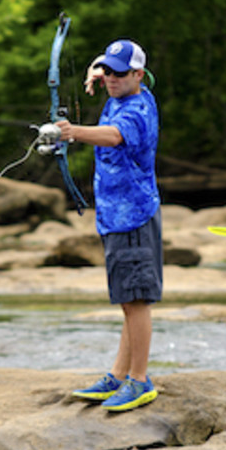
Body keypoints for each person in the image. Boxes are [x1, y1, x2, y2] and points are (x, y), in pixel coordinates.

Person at [57, 39, 162, 412]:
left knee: (136, 301)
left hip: (132, 215)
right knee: (127, 300)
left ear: (138, 75)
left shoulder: (137, 108)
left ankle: (139, 380)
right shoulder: (119, 89)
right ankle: (119, 375)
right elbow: (104, 70)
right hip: (115, 216)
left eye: (119, 73)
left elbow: (114, 136)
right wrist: (94, 73)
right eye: (107, 71)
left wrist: (71, 132)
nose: (111, 78)